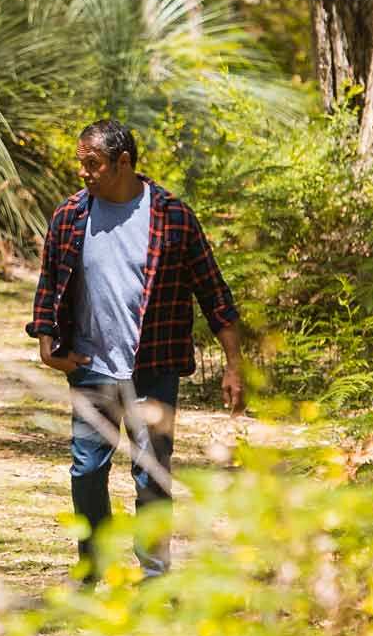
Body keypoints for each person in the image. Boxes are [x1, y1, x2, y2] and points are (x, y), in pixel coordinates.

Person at [26, 119, 245, 581]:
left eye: (93, 164)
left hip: (153, 368)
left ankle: (153, 577)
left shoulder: (172, 217)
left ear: (123, 162)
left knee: (150, 476)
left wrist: (233, 366)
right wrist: (47, 345)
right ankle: (92, 566)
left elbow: (214, 293)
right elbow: (50, 285)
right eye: (81, 163)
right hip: (89, 366)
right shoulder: (70, 215)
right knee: (86, 471)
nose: (84, 172)